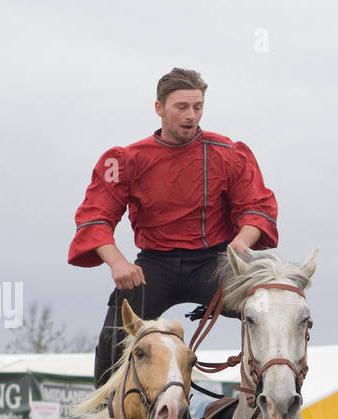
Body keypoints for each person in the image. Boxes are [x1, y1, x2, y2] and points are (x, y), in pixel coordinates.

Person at [71, 67, 280, 387]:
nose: (191, 115)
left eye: (197, 107)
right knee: (114, 334)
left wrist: (241, 241)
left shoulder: (227, 153)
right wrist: (117, 262)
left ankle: (273, 391)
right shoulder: (127, 160)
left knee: (269, 309)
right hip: (155, 264)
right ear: (159, 108)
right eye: (181, 107)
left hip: (213, 262)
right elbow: (95, 216)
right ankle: (104, 418)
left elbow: (257, 207)